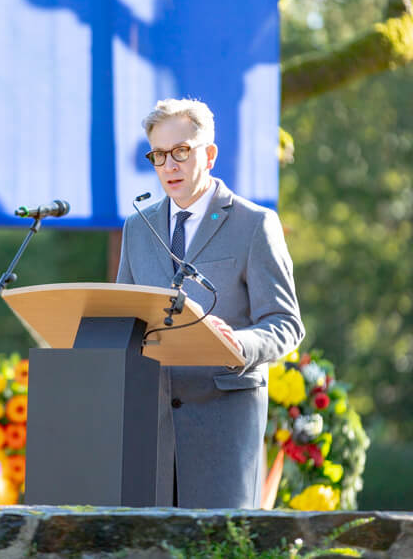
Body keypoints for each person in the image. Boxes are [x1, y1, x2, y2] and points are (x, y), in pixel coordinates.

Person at [116, 98, 304, 508]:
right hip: (149, 430)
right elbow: (124, 323)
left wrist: (236, 344)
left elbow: (286, 323)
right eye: (159, 155)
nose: (169, 165)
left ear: (210, 154)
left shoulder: (254, 224)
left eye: (181, 151)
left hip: (223, 426)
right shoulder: (137, 227)